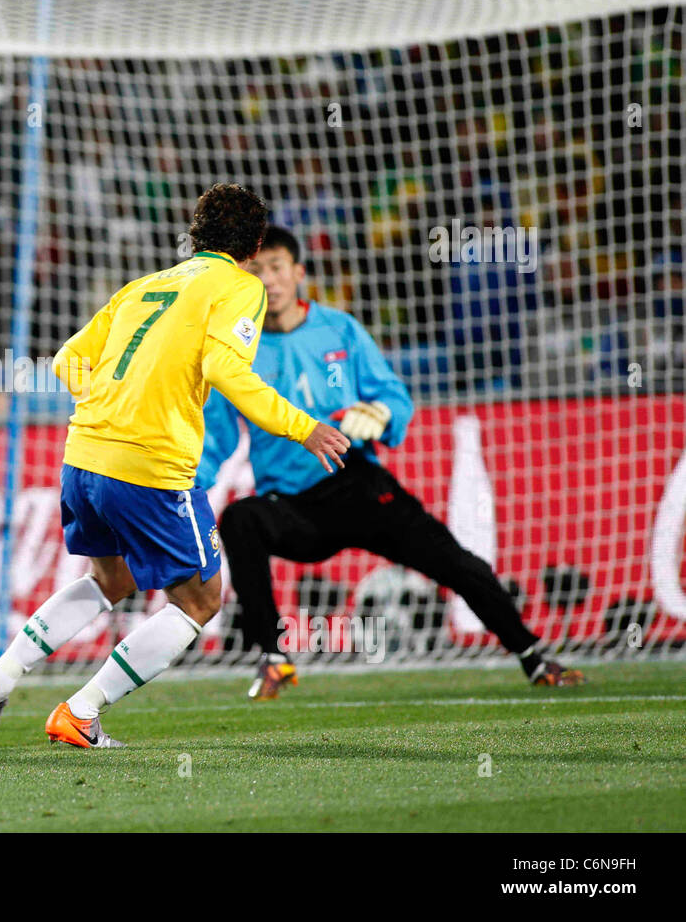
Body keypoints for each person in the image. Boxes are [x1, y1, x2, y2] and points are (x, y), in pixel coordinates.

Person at [0, 184, 351, 747]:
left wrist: (112, 406)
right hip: (149, 467)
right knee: (199, 600)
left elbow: (69, 360)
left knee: (108, 578)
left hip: (83, 458)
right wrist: (302, 426)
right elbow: (226, 369)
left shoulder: (149, 283)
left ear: (195, 233)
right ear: (255, 244)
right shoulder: (240, 286)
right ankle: (82, 710)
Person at [197, 226, 583, 699]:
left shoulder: (340, 330)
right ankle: (273, 658)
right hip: (292, 508)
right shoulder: (234, 354)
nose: (269, 281)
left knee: (454, 561)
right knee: (239, 519)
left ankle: (534, 655)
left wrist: (378, 414)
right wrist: (184, 488)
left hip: (357, 485)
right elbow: (212, 441)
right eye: (256, 271)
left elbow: (394, 399)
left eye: (277, 268)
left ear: (298, 272)